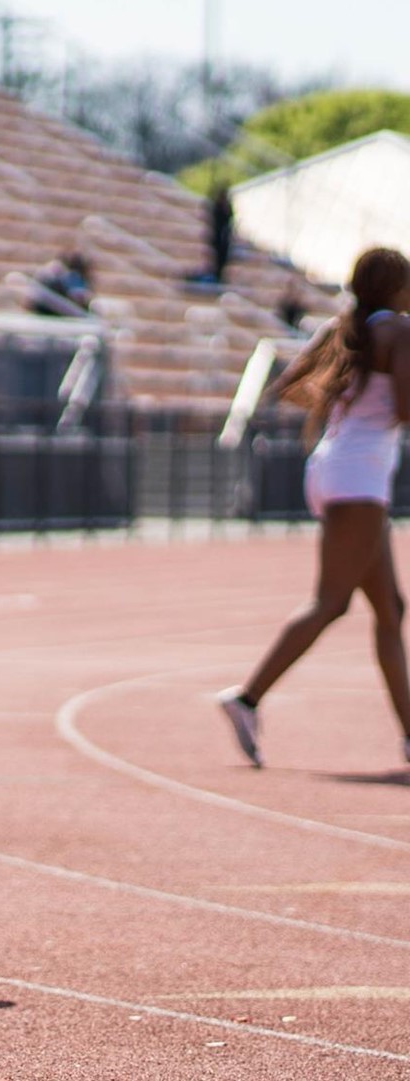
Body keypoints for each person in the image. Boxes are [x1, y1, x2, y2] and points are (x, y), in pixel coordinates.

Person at [218, 247, 410, 768]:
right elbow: (405, 409)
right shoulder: (397, 330)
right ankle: (247, 697)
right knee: (330, 603)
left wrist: (341, 397)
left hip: (336, 469)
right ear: (397, 286)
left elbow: (287, 388)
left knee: (390, 608)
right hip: (359, 478)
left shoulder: (343, 327)